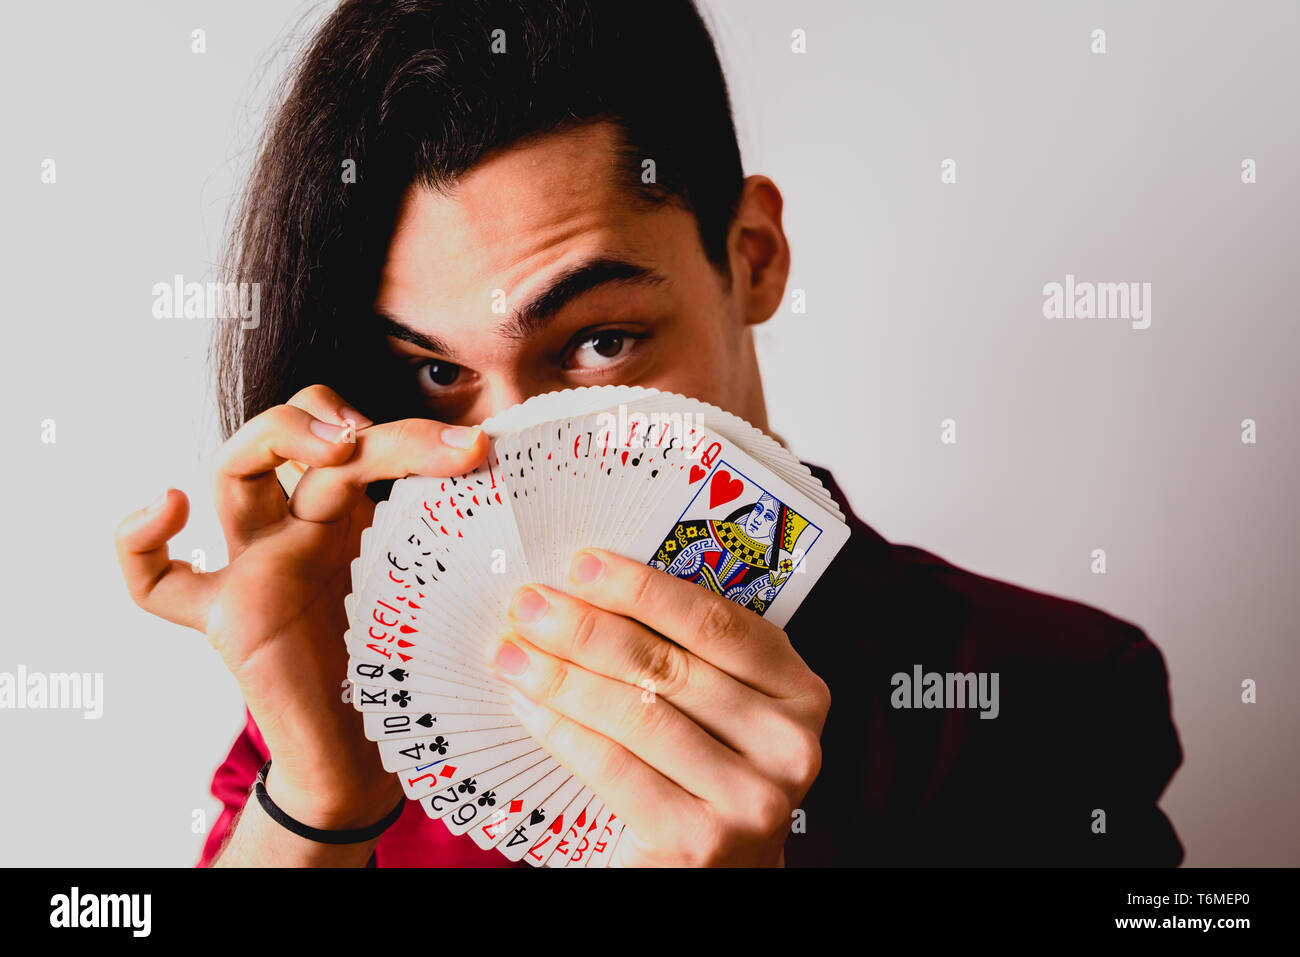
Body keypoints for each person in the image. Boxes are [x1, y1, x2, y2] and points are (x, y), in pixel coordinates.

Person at [113, 0, 1183, 867]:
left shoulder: (1051, 696)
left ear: (752, 256)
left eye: (601, 341)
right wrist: (318, 798)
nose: (517, 460)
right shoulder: (350, 700)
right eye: (437, 373)